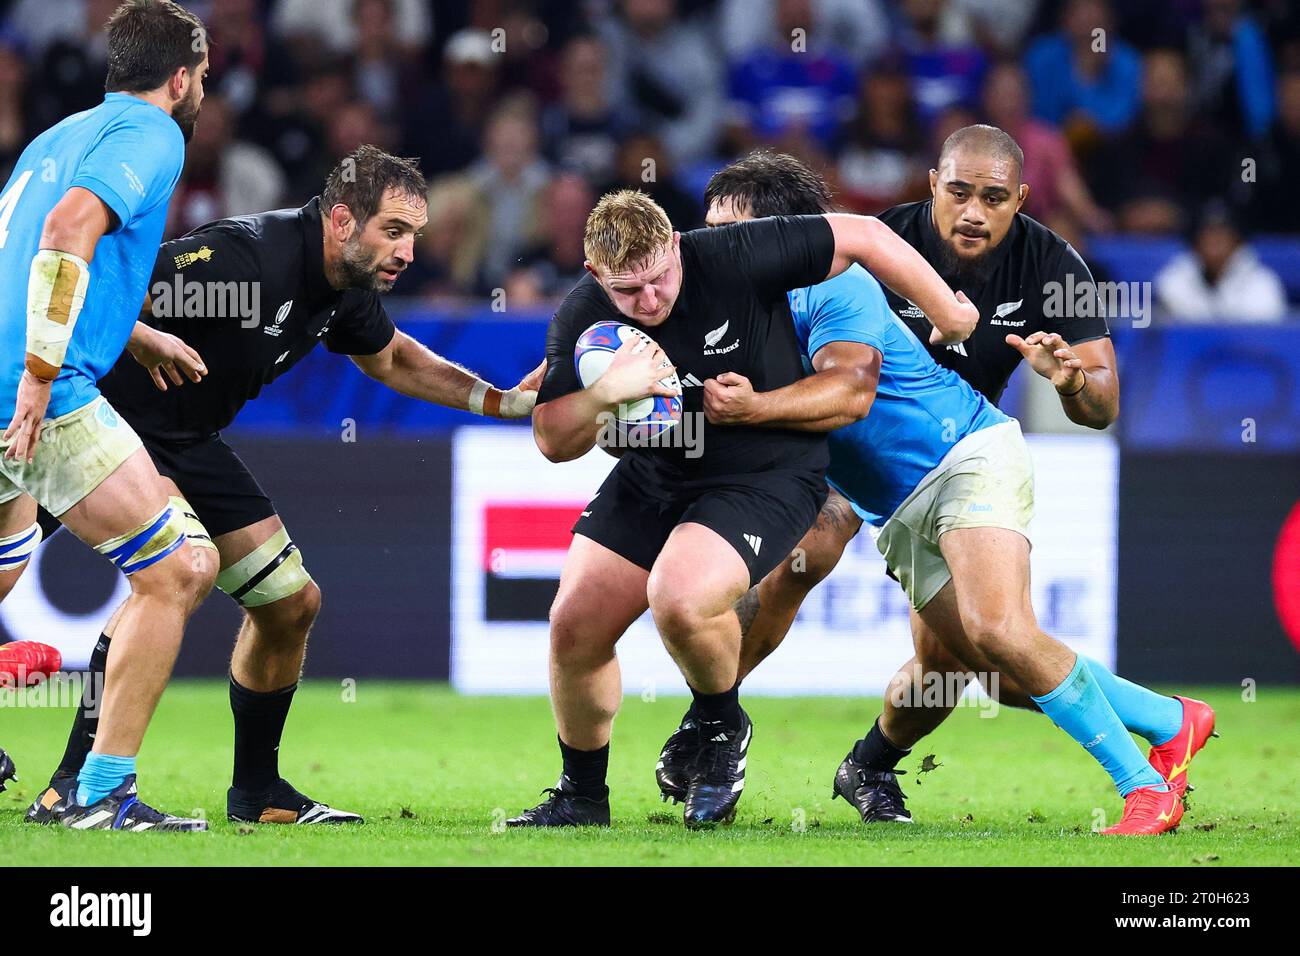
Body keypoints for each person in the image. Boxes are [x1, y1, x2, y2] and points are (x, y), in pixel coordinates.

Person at [656, 137, 1214, 835]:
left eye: (729, 236)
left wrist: (1072, 380)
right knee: (992, 666)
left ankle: (1143, 789)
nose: (713, 250)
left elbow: (849, 394)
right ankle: (1173, 719)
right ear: (932, 184)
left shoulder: (838, 279)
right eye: (709, 236)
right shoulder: (757, 296)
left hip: (964, 456)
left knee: (998, 629)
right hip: (893, 499)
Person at [22, 146, 541, 827]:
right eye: (394, 231)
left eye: (414, 234)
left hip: (188, 440)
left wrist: (498, 401)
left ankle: (257, 793)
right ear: (342, 221)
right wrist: (144, 336)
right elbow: (91, 281)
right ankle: (80, 787)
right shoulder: (243, 260)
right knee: (178, 572)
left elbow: (390, 357)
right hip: (106, 422)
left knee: (291, 604)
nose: (409, 251)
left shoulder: (346, 287)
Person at [508, 187, 978, 830]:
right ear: (596, 276)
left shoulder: (733, 253)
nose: (648, 303)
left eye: (658, 280)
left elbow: (864, 234)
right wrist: (608, 392)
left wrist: (944, 311)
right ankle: (583, 797)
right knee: (574, 625)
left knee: (680, 596)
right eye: (627, 292)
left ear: (676, 245)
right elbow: (552, 442)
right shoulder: (583, 314)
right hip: (654, 474)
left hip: (767, 471)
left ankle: (719, 727)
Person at [0, 0, 212, 832]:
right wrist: (41, 376)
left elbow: (23, 257)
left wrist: (135, 330)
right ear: (182, 76)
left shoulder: (56, 137)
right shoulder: (157, 135)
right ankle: (102, 794)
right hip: (42, 390)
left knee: (7, 565)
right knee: (179, 571)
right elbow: (66, 232)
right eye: (204, 74)